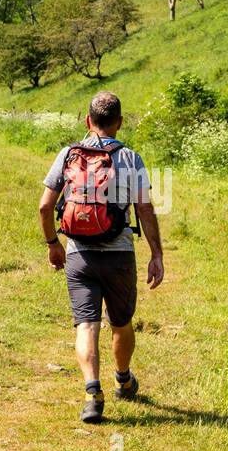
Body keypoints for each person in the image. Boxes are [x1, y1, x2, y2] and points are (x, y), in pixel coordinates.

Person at [38, 91, 164, 423]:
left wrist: (53, 243)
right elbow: (145, 209)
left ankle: (92, 393)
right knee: (120, 323)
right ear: (120, 123)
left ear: (87, 120)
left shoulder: (68, 154)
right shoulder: (131, 158)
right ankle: (123, 378)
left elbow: (44, 206)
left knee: (86, 324)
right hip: (119, 256)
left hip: (79, 255)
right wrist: (156, 254)